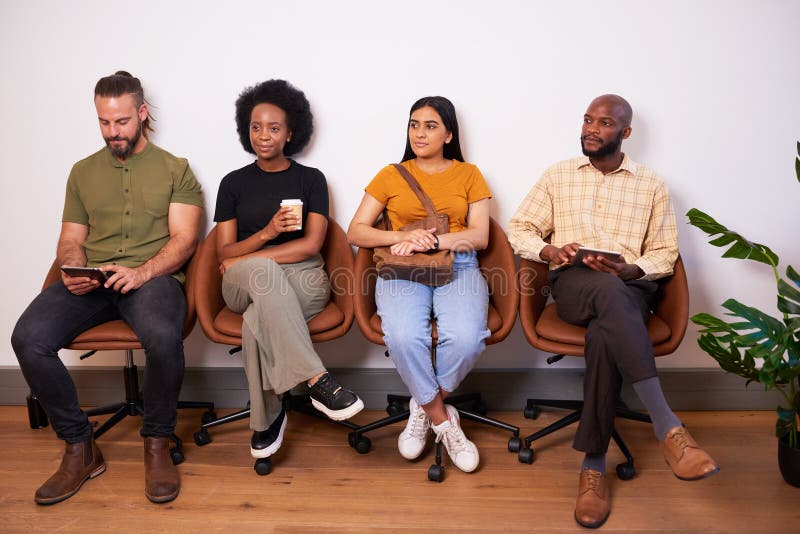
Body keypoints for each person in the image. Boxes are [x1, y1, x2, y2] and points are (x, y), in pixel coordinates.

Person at [508, 94, 719, 528]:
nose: (590, 128)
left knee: (608, 318)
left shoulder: (651, 184)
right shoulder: (559, 175)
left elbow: (665, 251)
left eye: (604, 123)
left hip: (627, 288)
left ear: (624, 133)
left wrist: (631, 267)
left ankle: (593, 465)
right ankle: (669, 427)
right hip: (571, 284)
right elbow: (520, 228)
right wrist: (551, 248)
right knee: (604, 292)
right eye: (587, 120)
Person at [12, 71, 203, 505]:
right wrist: (74, 266)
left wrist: (141, 273)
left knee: (161, 336)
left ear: (141, 113)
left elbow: (185, 240)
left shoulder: (176, 169)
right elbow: (71, 238)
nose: (112, 132)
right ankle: (80, 447)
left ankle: (156, 443)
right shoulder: (82, 172)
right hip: (94, 281)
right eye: (103, 122)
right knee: (27, 338)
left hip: (151, 279)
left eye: (120, 122)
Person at [213, 79, 363, 462]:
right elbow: (223, 251)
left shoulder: (311, 180)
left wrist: (249, 258)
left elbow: (312, 244)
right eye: (256, 127)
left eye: (274, 128)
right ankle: (317, 379)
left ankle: (267, 418)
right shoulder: (232, 183)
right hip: (242, 282)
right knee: (261, 278)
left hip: (303, 278)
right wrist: (267, 233)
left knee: (255, 321)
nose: (264, 135)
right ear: (246, 130)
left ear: (290, 132)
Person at [348, 96, 491, 473]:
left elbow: (479, 237)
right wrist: (402, 238)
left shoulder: (469, 174)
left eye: (430, 125)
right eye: (414, 124)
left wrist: (430, 240)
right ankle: (443, 419)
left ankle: (423, 405)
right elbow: (356, 230)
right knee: (402, 336)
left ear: (448, 134)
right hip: (402, 265)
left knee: (468, 337)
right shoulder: (391, 174)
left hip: (458, 263)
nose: (420, 133)